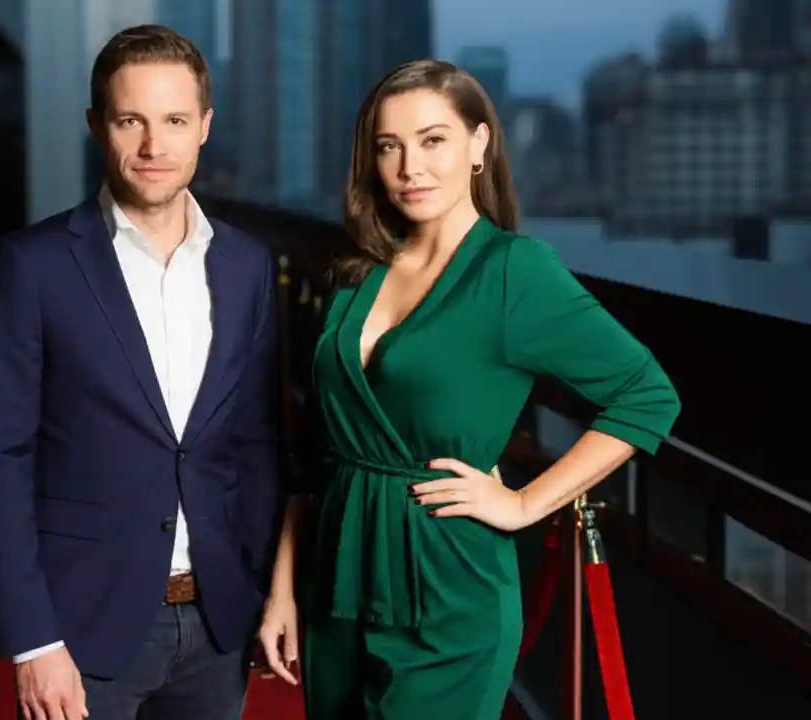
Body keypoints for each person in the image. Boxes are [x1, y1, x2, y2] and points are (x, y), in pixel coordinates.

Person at [255, 59, 681, 719]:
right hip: (333, 580)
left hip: (446, 588)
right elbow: (316, 450)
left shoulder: (515, 271)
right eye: (388, 147)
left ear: (478, 145)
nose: (409, 167)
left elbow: (647, 395)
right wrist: (284, 588)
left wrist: (523, 503)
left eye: (433, 140)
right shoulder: (357, 271)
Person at [0, 24, 281, 720]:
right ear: (95, 126)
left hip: (218, 623)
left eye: (173, 120)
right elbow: (1, 456)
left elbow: (256, 443)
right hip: (82, 625)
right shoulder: (35, 264)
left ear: (204, 126)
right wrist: (33, 641)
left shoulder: (249, 266)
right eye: (130, 120)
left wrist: (259, 590)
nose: (153, 146)